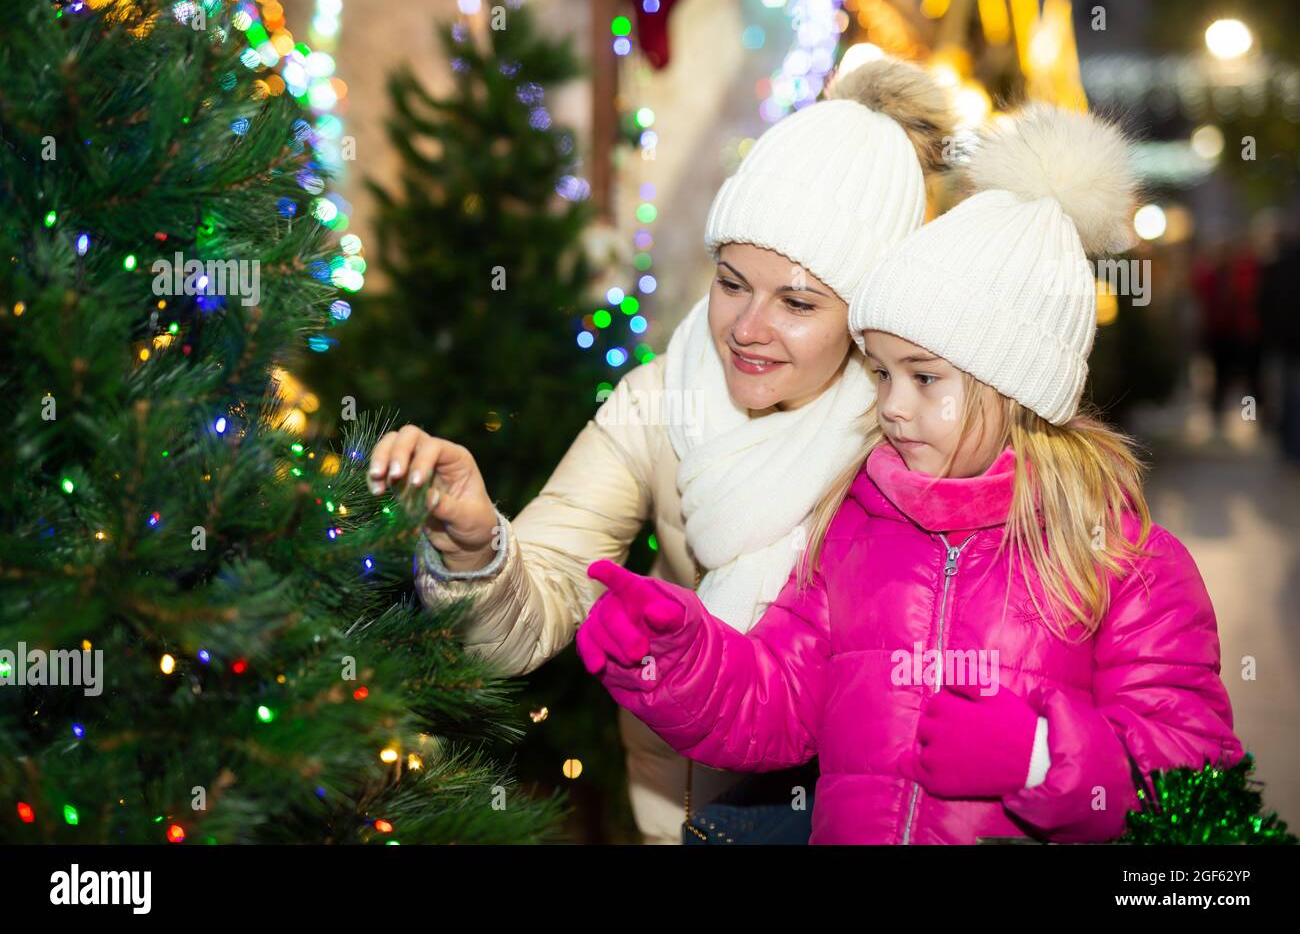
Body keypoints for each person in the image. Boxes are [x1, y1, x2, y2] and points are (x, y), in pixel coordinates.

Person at [577, 105, 1244, 844]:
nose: (890, 406)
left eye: (924, 379)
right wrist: (680, 660)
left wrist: (1041, 758)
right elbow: (778, 705)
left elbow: (1198, 779)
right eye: (882, 373)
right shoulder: (853, 530)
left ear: (1013, 387)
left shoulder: (1122, 564)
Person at [368, 57, 957, 843]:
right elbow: (524, 624)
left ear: (864, 318)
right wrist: (476, 549)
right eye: (732, 281)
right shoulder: (661, 400)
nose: (747, 329)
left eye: (798, 302)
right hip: (671, 816)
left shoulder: (908, 438)